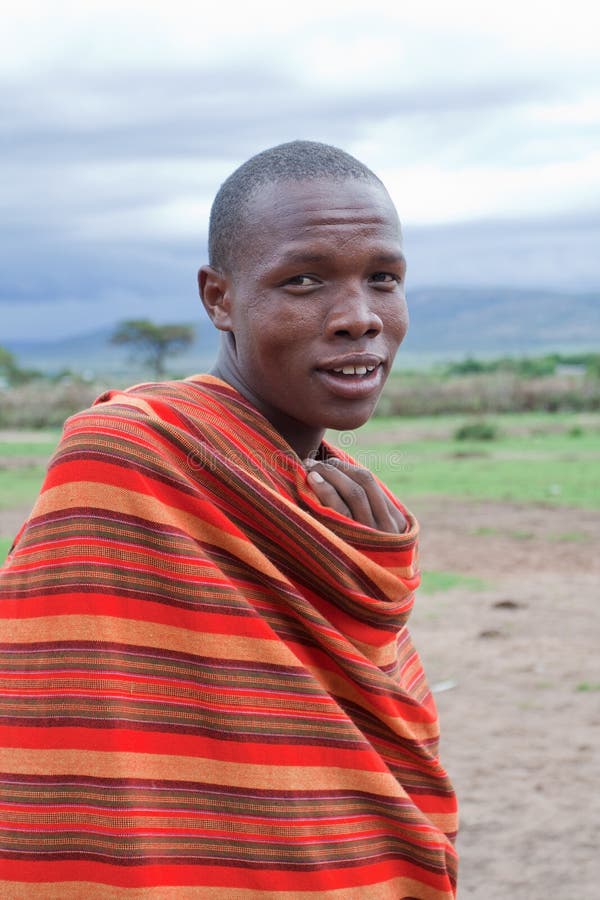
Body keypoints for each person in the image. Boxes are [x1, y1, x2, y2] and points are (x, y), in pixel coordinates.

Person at [0, 141, 458, 898]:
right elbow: (54, 707)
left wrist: (362, 587)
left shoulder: (341, 498)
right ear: (219, 298)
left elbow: (380, 741)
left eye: (384, 278)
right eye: (303, 281)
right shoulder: (128, 459)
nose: (358, 318)